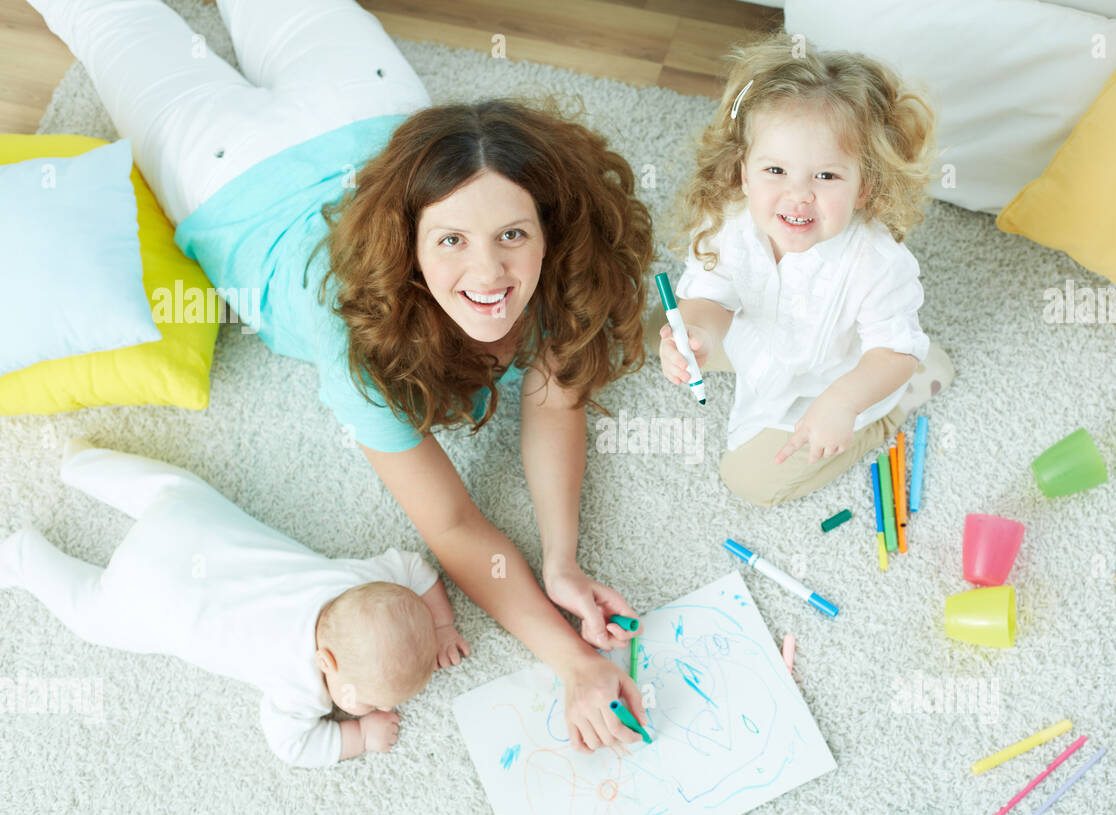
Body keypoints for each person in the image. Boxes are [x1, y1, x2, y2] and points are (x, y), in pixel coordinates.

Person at [28, 0, 655, 750]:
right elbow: (452, 526)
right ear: (409, 244)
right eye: (451, 239)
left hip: (365, 105)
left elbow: (556, 396)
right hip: (230, 175)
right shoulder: (360, 341)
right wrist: (570, 659)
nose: (488, 273)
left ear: (549, 231)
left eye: (512, 234)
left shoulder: (560, 273)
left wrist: (561, 558)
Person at [0, 439, 471, 767]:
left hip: (186, 521)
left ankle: (82, 463)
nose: (369, 707)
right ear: (325, 662)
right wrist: (360, 737)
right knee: (93, 616)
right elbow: (292, 744)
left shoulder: (361, 583)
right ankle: (24, 559)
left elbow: (413, 567)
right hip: (152, 596)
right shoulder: (301, 688)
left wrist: (440, 624)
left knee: (169, 487)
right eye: (368, 700)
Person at [658, 32, 956, 507]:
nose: (798, 194)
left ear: (864, 187)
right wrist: (695, 334)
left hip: (837, 378)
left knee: (749, 482)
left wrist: (842, 405)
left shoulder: (878, 263)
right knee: (658, 327)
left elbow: (892, 352)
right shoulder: (730, 219)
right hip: (763, 344)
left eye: (826, 176)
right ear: (743, 171)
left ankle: (895, 406)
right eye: (775, 171)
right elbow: (711, 297)